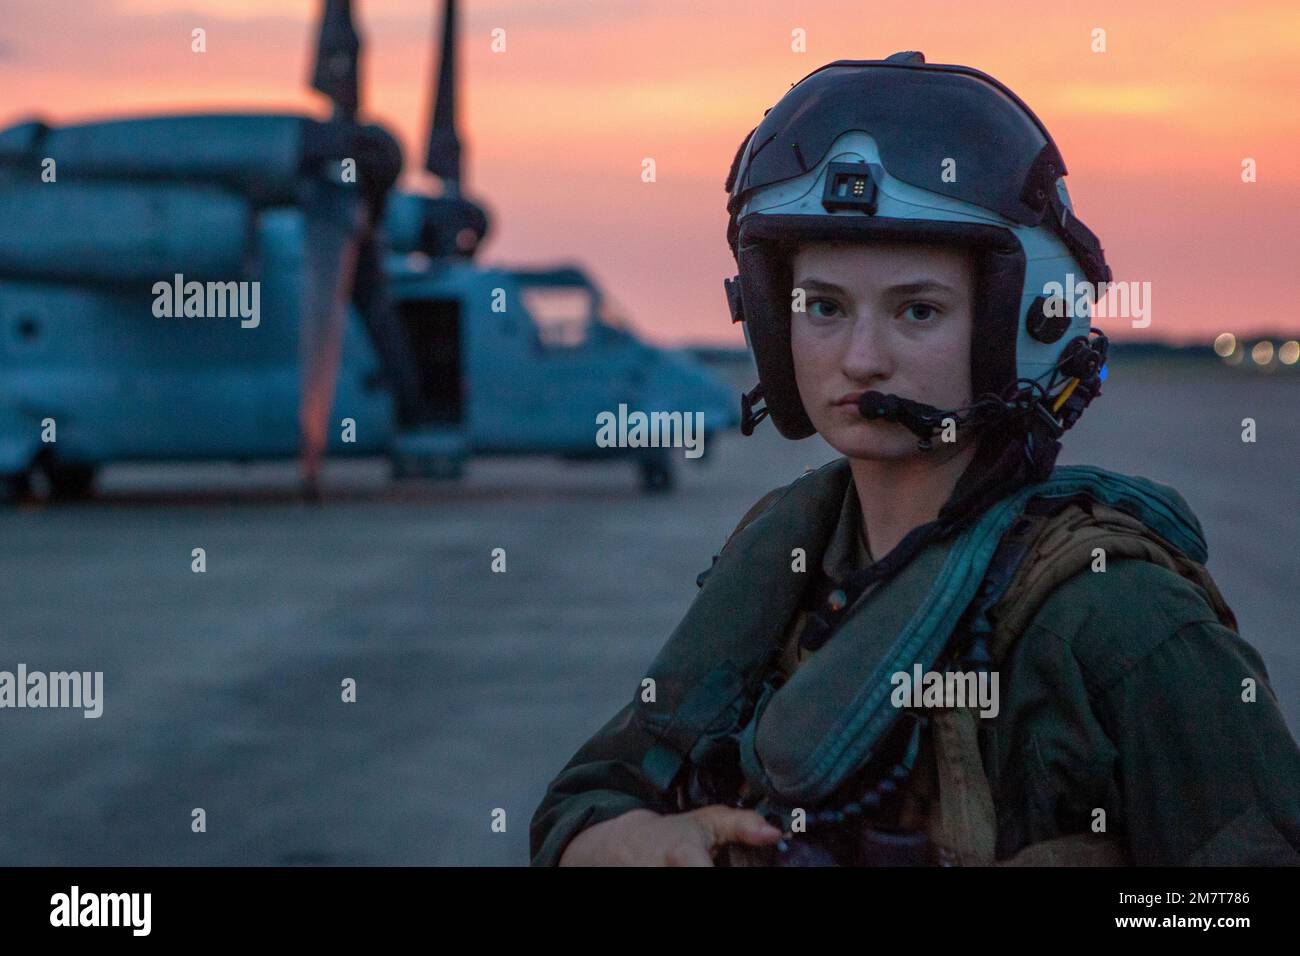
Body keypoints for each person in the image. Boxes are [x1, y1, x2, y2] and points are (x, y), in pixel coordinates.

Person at [530, 52, 1300, 866]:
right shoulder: (789, 560)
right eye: (822, 306)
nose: (861, 357)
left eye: (918, 311)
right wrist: (652, 842)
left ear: (1017, 326)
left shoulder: (1118, 615)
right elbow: (581, 807)